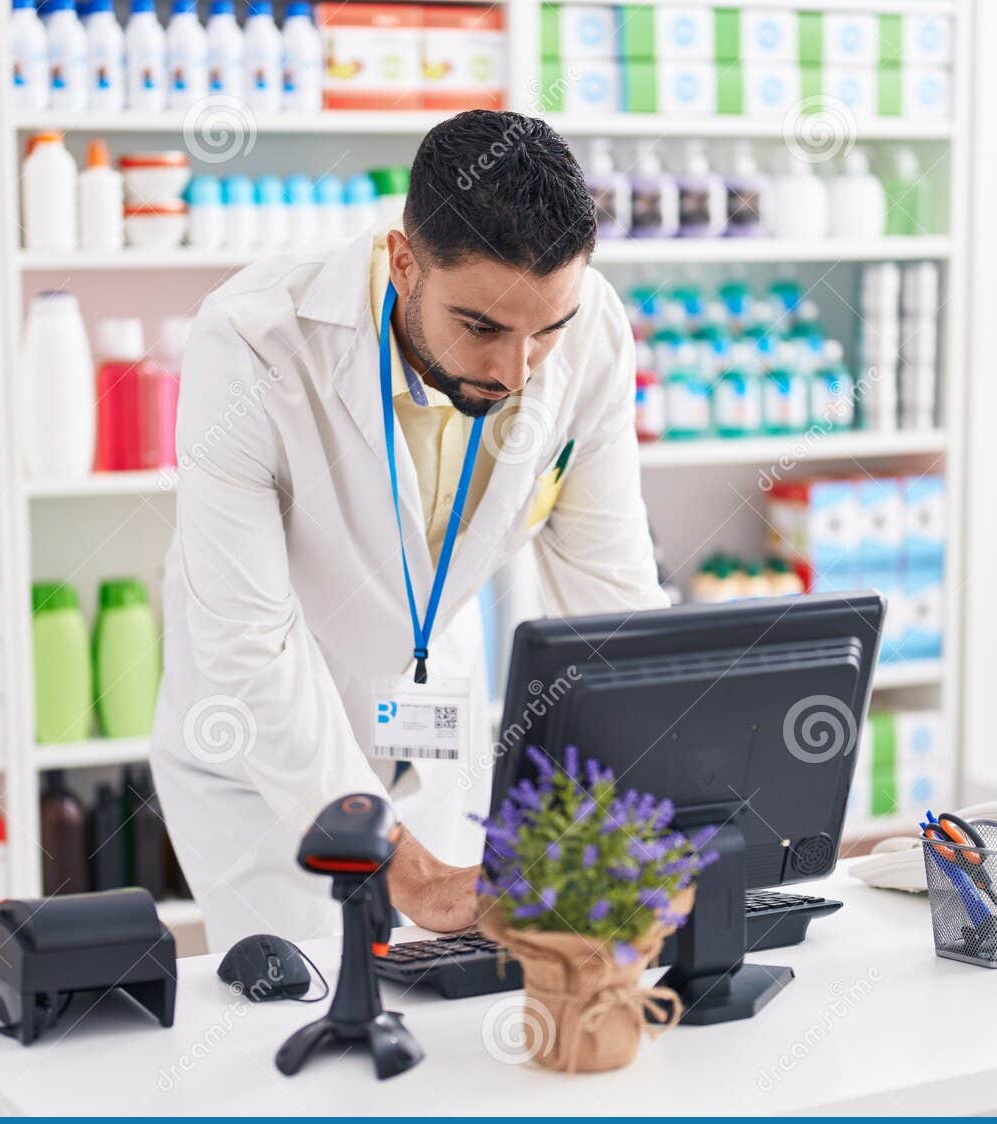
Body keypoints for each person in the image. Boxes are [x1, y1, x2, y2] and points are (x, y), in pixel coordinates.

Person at [150, 110, 669, 951]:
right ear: (402, 262)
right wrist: (405, 866)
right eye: (482, 328)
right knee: (308, 1005)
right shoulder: (252, 340)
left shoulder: (592, 330)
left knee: (450, 1010)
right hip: (264, 746)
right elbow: (247, 643)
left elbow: (613, 597)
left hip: (433, 723)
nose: (515, 374)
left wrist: (660, 798)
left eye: (547, 334)